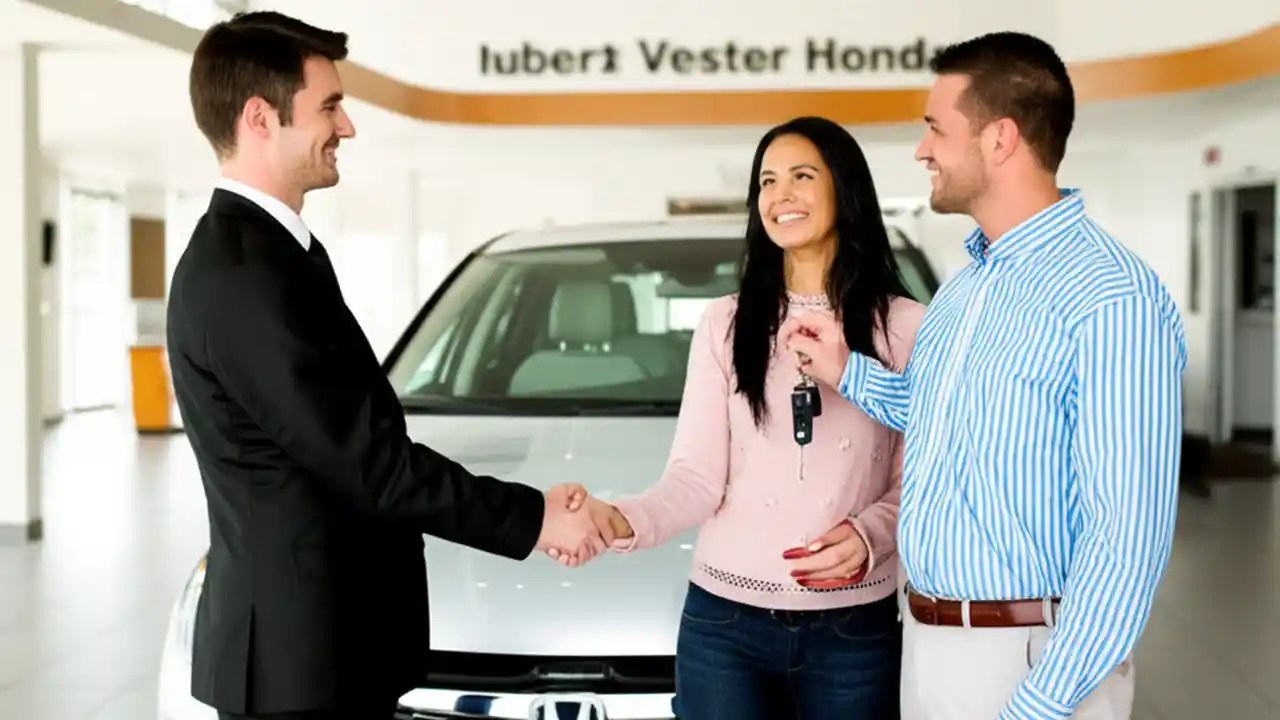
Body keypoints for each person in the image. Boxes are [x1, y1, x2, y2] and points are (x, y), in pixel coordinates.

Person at [168, 11, 607, 720]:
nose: (347, 128)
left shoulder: (270, 255)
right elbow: (366, 460)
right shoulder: (247, 272)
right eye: (330, 106)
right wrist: (534, 519)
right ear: (259, 117)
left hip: (322, 651)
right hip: (298, 668)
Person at [782, 32, 1186, 720]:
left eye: (936, 127)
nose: (922, 150)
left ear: (1000, 139)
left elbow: (1126, 540)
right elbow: (936, 409)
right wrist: (848, 371)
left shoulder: (1112, 298)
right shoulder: (967, 290)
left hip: (1034, 661)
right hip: (931, 645)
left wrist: (1041, 704)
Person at [556, 117, 926, 719]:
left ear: (846, 187)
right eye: (768, 181)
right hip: (724, 628)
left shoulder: (907, 326)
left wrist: (870, 536)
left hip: (854, 633)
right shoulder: (725, 325)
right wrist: (620, 518)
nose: (781, 195)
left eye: (802, 176)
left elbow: (920, 482)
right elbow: (695, 480)